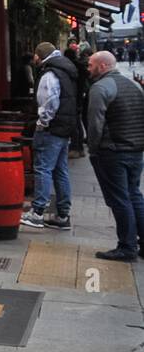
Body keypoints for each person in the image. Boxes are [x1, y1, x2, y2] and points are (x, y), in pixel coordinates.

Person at [85, 51, 144, 261]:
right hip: (136, 149)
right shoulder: (134, 85)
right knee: (134, 195)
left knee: (120, 199)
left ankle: (127, 247)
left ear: (102, 66)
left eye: (91, 65)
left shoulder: (100, 88)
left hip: (113, 151)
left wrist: (93, 149)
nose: (88, 68)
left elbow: (95, 124)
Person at [20, 42, 78, 230]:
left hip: (51, 129)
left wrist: (41, 124)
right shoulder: (66, 70)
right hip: (65, 128)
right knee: (60, 170)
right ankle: (63, 215)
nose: (34, 59)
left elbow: (49, 103)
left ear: (39, 55)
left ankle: (37, 213)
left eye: (36, 55)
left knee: (43, 168)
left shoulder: (49, 74)